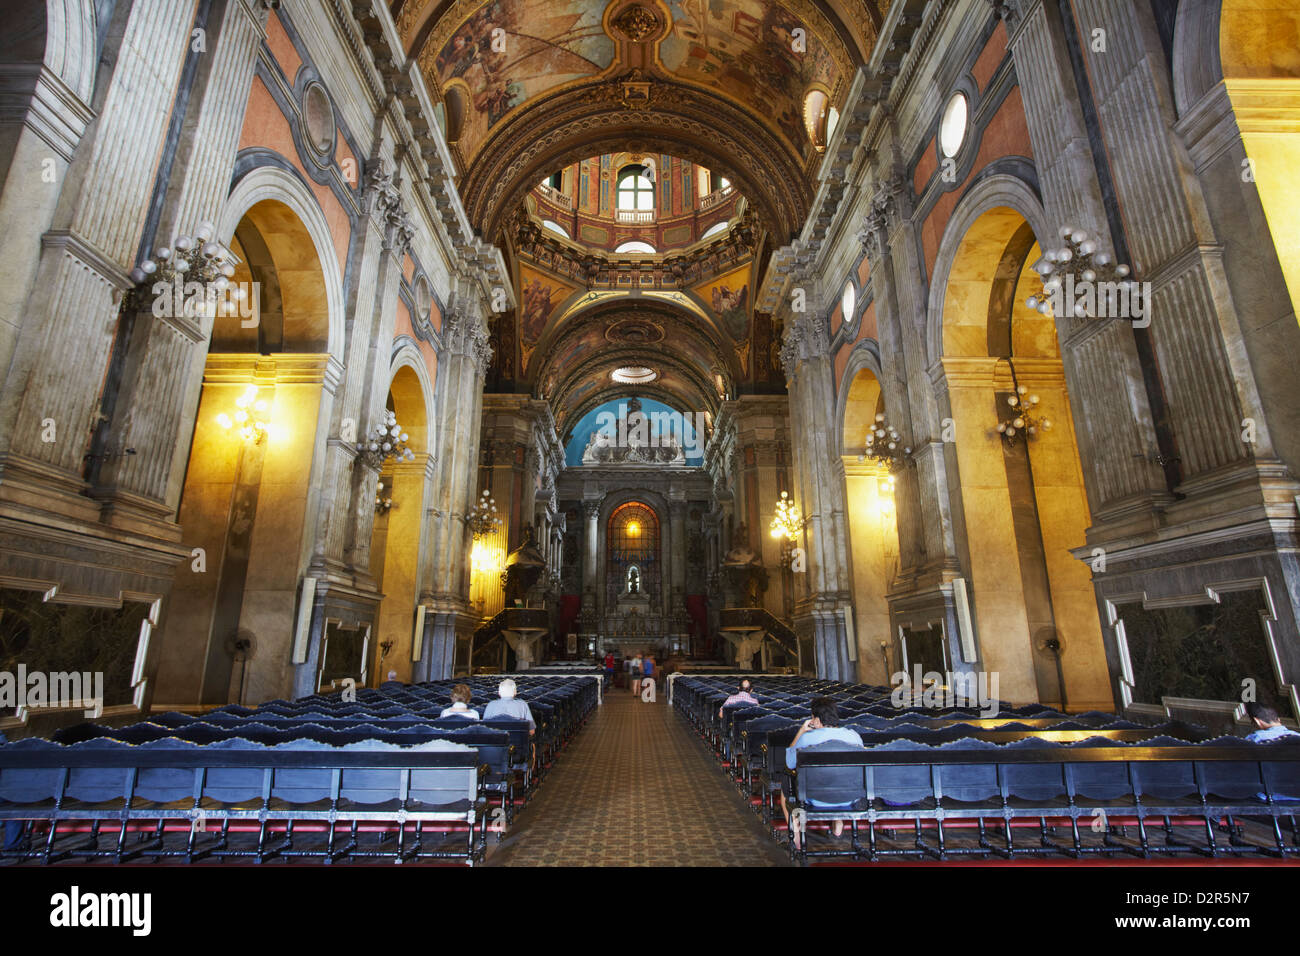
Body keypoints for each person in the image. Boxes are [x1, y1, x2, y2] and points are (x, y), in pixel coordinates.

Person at [779, 697, 864, 849]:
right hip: (849, 797)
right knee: (840, 777)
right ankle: (838, 827)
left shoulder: (807, 738)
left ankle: (797, 837)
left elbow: (789, 762)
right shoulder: (854, 736)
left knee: (786, 785)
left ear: (816, 720)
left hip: (815, 798)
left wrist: (801, 731)